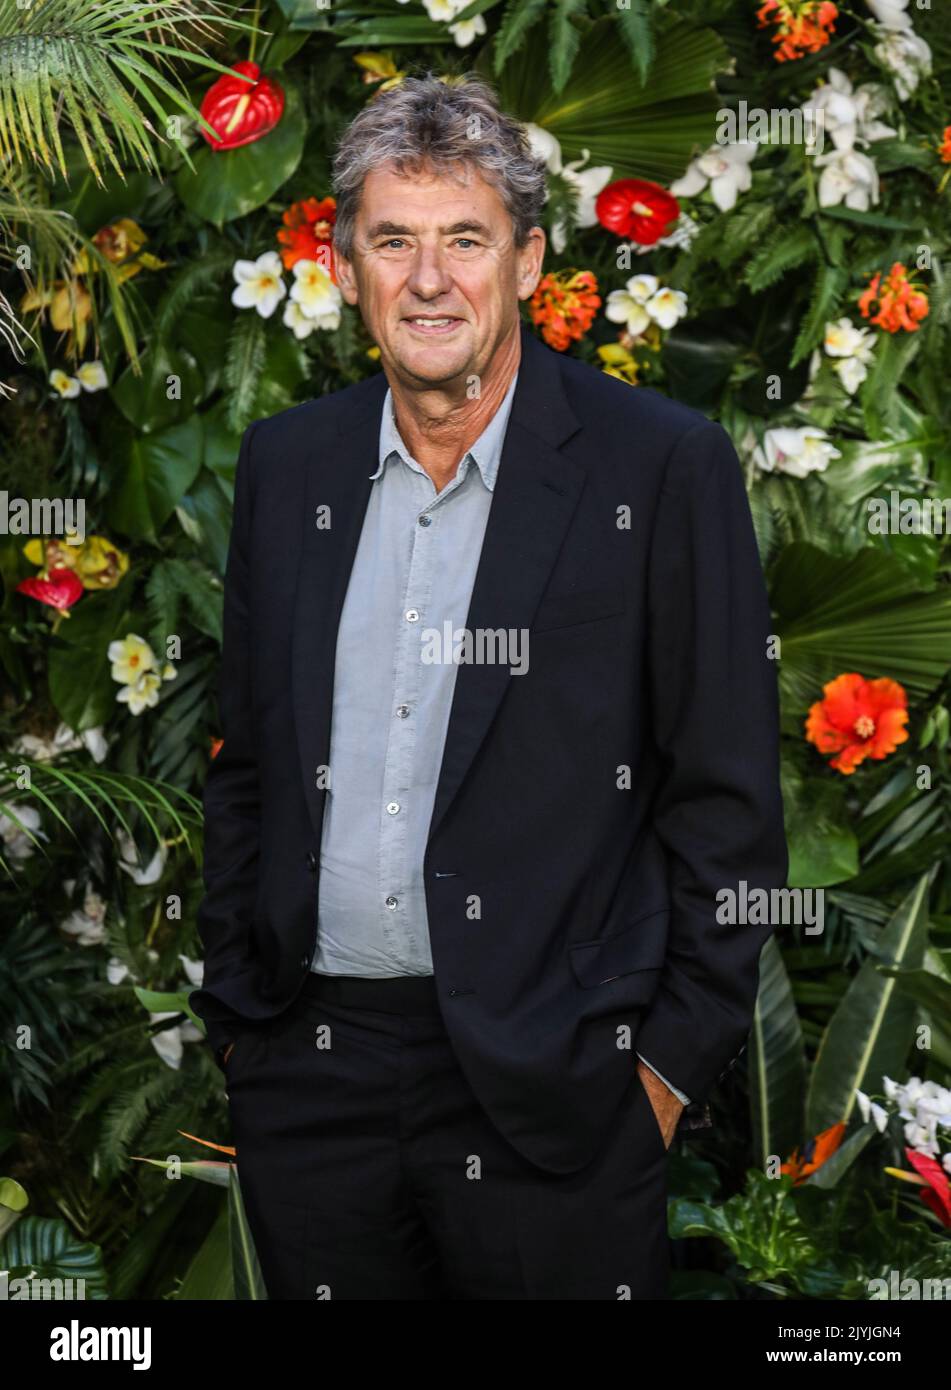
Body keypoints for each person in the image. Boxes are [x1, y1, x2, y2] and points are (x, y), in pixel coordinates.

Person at [190, 71, 788, 1300]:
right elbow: (246, 761)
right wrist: (249, 1031)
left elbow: (726, 804)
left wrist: (661, 1074)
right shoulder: (286, 464)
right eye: (393, 240)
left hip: (557, 1098)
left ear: (527, 260)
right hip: (316, 1082)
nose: (427, 279)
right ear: (345, 263)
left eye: (465, 239)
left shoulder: (660, 468)